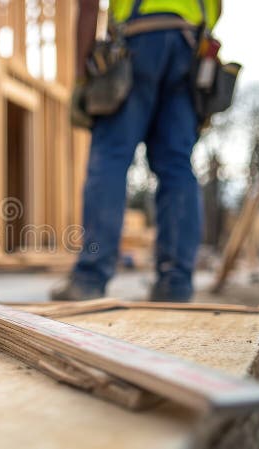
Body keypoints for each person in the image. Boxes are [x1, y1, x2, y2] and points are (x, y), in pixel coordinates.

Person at [52, 0, 221, 302]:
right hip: (189, 48)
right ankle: (175, 284)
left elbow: (89, 5)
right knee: (176, 165)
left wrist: (81, 78)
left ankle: (89, 280)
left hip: (136, 41)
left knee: (110, 159)